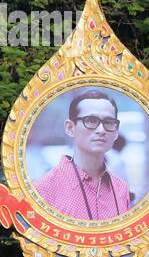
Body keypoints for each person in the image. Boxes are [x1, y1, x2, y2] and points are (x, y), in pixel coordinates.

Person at [33, 89, 135, 220]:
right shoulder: (44, 189)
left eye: (109, 123)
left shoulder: (120, 188)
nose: (101, 130)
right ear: (70, 128)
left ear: (116, 132)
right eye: (91, 121)